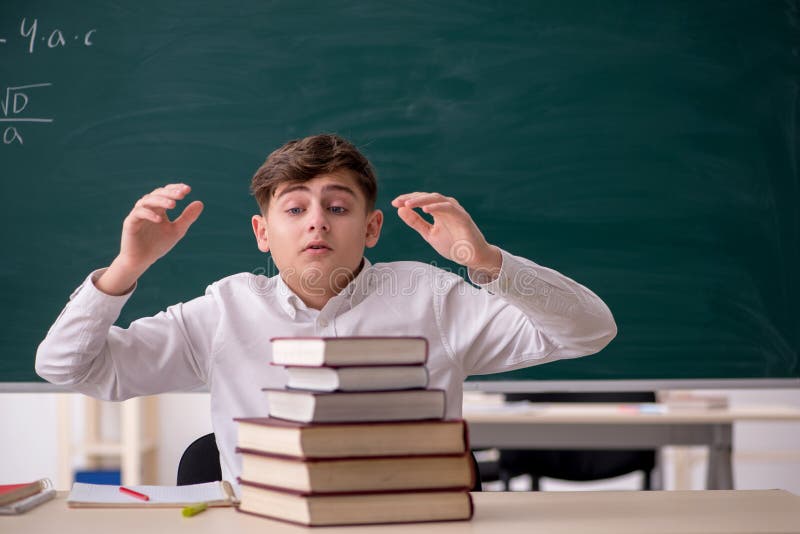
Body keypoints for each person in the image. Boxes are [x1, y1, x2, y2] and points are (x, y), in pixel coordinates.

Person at [36, 133, 617, 487]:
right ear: (263, 233)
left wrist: (486, 261)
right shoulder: (224, 311)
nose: (316, 221)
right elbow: (66, 368)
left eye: (337, 207)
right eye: (295, 209)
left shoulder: (433, 297)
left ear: (371, 228)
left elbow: (588, 332)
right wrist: (125, 269)